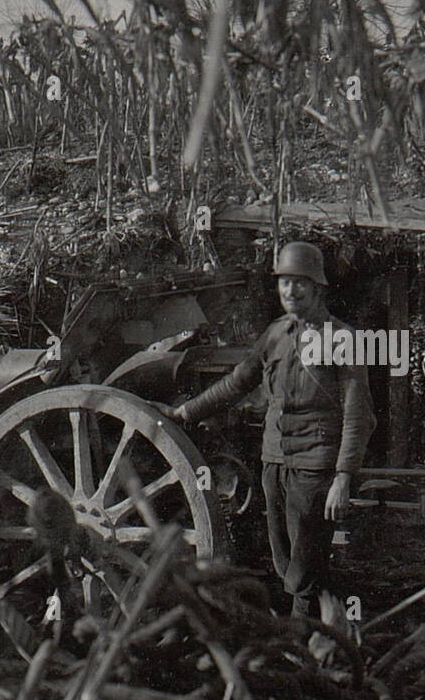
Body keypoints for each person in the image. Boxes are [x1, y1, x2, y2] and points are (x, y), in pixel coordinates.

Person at [161, 242, 376, 617]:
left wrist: (342, 477)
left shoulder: (344, 339)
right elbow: (238, 382)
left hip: (315, 465)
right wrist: (185, 412)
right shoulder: (276, 333)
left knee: (304, 566)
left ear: (318, 286)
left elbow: (359, 416)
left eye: (299, 283)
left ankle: (304, 636)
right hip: (273, 461)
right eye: (284, 283)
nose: (290, 292)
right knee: (285, 559)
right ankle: (318, 626)